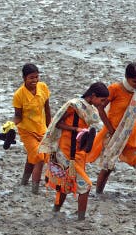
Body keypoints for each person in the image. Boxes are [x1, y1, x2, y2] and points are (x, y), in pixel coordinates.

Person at [38, 82, 109, 221]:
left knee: (64, 185)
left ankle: (55, 212)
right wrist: (75, 129)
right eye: (101, 100)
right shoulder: (73, 106)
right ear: (93, 96)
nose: (102, 104)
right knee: (86, 186)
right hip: (65, 151)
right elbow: (57, 123)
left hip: (78, 152)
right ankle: (81, 219)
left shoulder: (88, 109)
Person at [91, 63, 136, 196]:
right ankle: (98, 193)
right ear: (126, 78)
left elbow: (133, 105)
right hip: (114, 133)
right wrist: (110, 130)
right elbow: (100, 108)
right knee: (108, 166)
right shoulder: (115, 89)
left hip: (131, 132)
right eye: (134, 81)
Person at [12, 63, 51, 193]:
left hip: (42, 128)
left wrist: (50, 127)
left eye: (36, 77)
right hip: (27, 130)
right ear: (24, 78)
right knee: (39, 157)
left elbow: (47, 108)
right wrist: (10, 128)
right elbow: (18, 116)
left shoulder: (43, 87)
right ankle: (35, 189)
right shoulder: (19, 95)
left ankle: (24, 181)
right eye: (31, 78)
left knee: (34, 156)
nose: (34, 80)